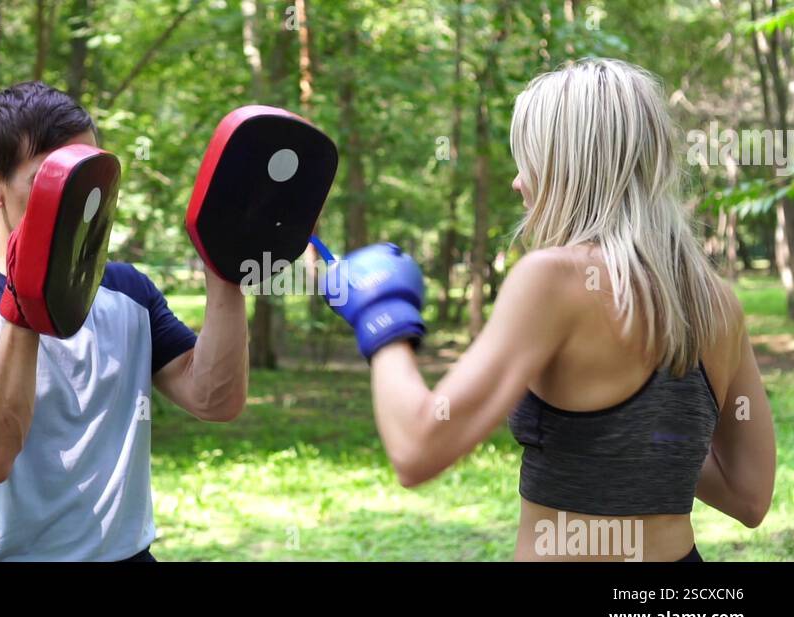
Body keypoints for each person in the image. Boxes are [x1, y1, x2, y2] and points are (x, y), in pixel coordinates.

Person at [323, 58, 777, 561]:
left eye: (530, 158)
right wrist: (645, 447)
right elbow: (748, 494)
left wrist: (382, 319)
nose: (519, 182)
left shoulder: (553, 281)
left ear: (567, 164)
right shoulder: (718, 302)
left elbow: (416, 450)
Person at [0, 81, 249, 561]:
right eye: (51, 178)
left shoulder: (129, 290)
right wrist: (24, 301)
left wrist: (225, 270)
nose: (74, 198)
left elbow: (215, 399)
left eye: (84, 176)